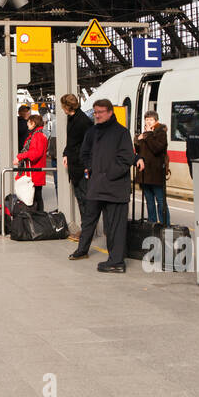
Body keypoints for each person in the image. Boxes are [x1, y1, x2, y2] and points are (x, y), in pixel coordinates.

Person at [72, 98, 135, 272]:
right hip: (96, 185)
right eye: (95, 112)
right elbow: (84, 153)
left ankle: (116, 262)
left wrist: (109, 174)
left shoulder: (121, 133)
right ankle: (82, 250)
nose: (97, 115)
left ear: (110, 112)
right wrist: (91, 168)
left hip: (115, 187)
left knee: (115, 226)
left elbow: (126, 158)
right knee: (89, 219)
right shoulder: (92, 132)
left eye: (100, 112)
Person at [134, 110, 170, 224]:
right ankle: (152, 223)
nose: (148, 122)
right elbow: (139, 151)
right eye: (146, 119)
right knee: (149, 201)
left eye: (150, 120)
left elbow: (157, 149)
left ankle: (165, 224)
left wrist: (148, 135)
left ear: (156, 121)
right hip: (144, 173)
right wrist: (137, 140)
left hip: (156, 173)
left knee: (160, 200)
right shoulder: (144, 133)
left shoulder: (161, 133)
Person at [16, 113, 49, 212]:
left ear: (34, 123)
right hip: (35, 171)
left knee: (35, 197)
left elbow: (35, 153)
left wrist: (20, 156)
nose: (27, 124)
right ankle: (38, 218)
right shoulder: (38, 135)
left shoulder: (37, 136)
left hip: (34, 171)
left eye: (29, 122)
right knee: (36, 196)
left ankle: (37, 218)